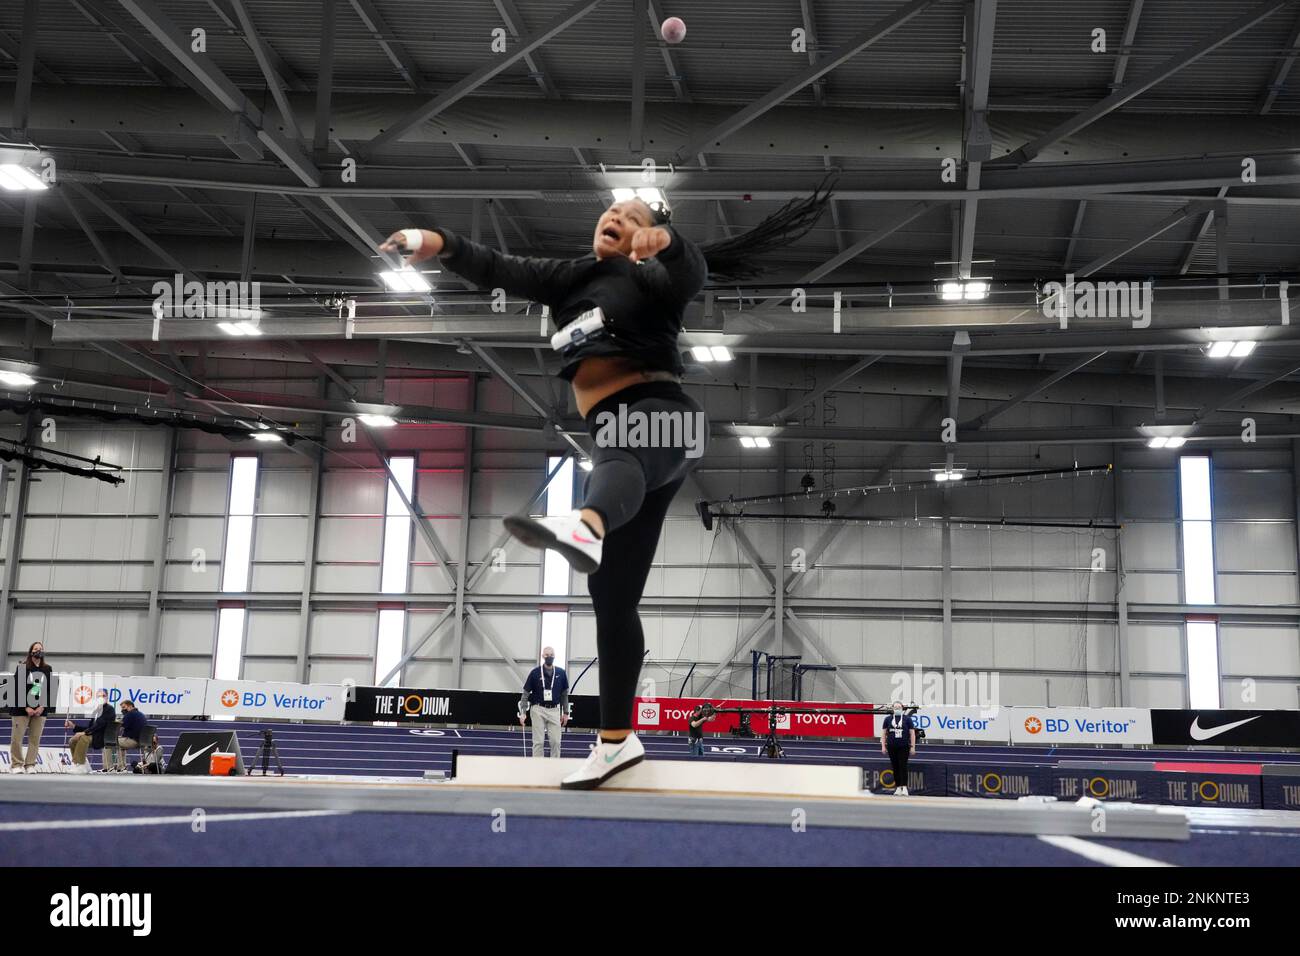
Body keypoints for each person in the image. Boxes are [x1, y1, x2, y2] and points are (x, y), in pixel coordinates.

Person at [381, 182, 831, 790]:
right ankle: (617, 742)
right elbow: (497, 266)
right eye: (612, 212)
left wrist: (667, 242)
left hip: (661, 416)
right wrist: (434, 242)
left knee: (617, 456)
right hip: (630, 444)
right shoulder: (568, 278)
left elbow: (691, 272)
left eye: (632, 217)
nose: (616, 218)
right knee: (613, 603)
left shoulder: (652, 281)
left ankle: (586, 524)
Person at [8, 642, 52, 774]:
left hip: (40, 710)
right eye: (36, 649)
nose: (38, 651)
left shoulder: (47, 669)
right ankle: (16, 764)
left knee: (35, 738)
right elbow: (17, 689)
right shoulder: (22, 667)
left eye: (41, 649)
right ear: (31, 651)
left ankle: (30, 764)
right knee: (17, 738)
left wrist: (42, 706)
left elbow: (49, 689)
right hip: (21, 709)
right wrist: (26, 706)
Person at [518, 647, 569, 758]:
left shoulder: (561, 673)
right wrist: (523, 712)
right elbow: (525, 694)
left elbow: (564, 695)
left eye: (551, 654)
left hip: (554, 710)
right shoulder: (535, 673)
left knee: (556, 742)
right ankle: (537, 769)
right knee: (539, 742)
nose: (549, 657)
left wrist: (566, 712)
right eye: (546, 655)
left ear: (554, 656)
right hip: (538, 709)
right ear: (542, 656)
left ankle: (554, 767)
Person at [63, 689, 113, 774]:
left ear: (107, 697)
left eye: (103, 696)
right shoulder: (96, 711)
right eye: (99, 696)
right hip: (94, 735)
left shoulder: (109, 710)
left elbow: (100, 725)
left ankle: (81, 765)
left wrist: (84, 733)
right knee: (72, 741)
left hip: (103, 737)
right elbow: (90, 727)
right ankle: (82, 765)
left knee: (83, 738)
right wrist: (74, 726)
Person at [880, 702, 916, 795]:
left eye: (899, 707)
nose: (897, 709)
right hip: (892, 746)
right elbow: (884, 734)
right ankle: (898, 787)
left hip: (903, 746)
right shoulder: (887, 719)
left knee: (903, 766)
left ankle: (904, 787)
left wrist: (912, 747)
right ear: (892, 708)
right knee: (895, 767)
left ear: (902, 708)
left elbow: (912, 734)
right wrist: (883, 746)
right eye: (895, 707)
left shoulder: (907, 719)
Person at [112, 698, 147, 773]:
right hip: (143, 742)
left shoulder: (130, 714)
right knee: (120, 744)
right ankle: (121, 767)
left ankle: (110, 767)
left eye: (124, 707)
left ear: (131, 706)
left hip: (135, 741)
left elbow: (119, 728)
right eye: (121, 708)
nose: (122, 710)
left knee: (111, 741)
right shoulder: (140, 714)